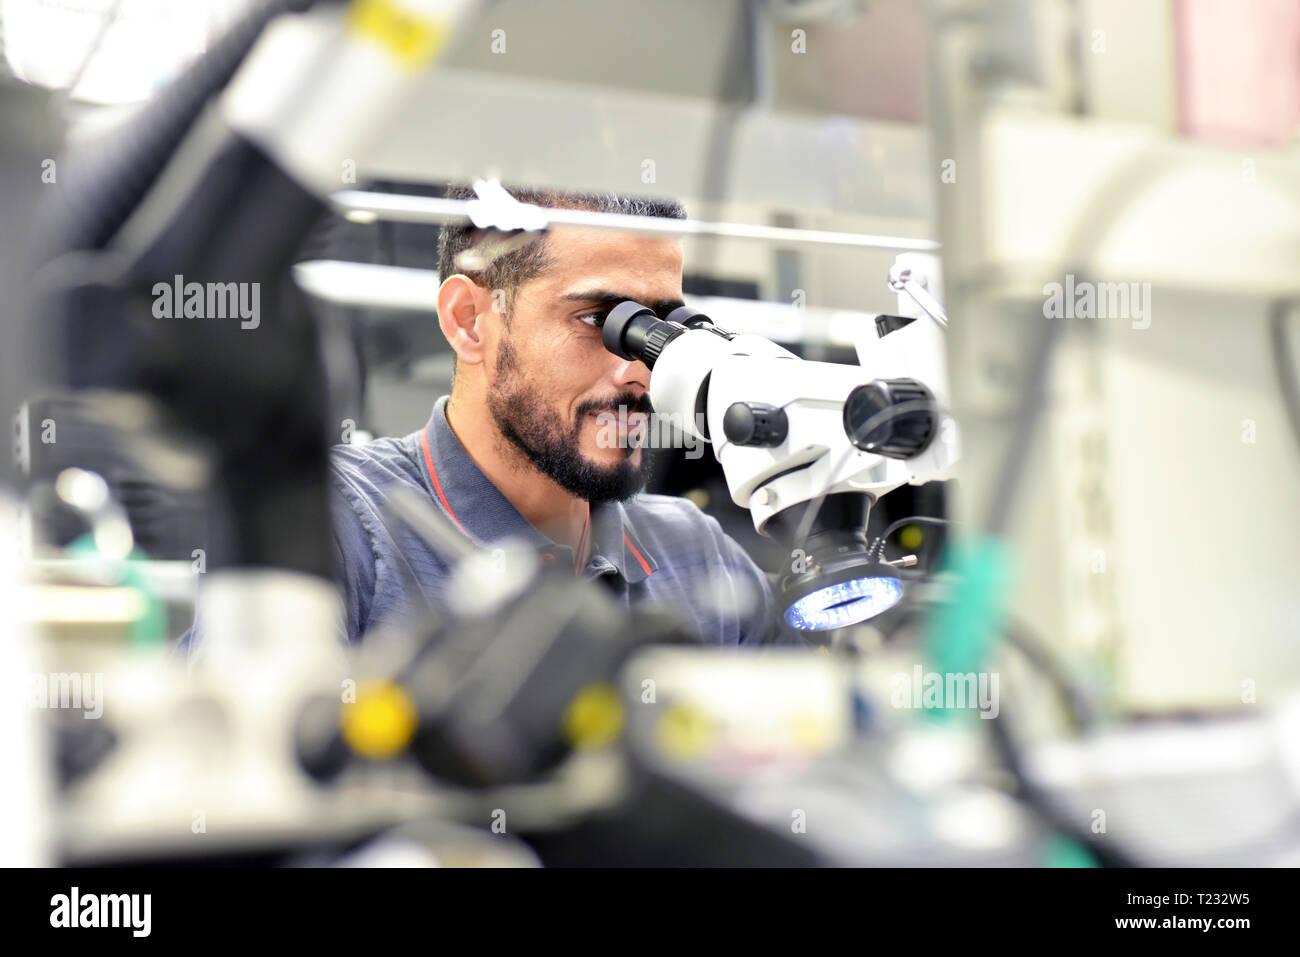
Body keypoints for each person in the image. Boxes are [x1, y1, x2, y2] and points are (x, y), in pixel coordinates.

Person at [327, 184, 787, 646]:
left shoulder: (695, 553)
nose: (642, 375)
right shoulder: (342, 522)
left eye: (662, 330)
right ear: (468, 320)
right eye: (596, 319)